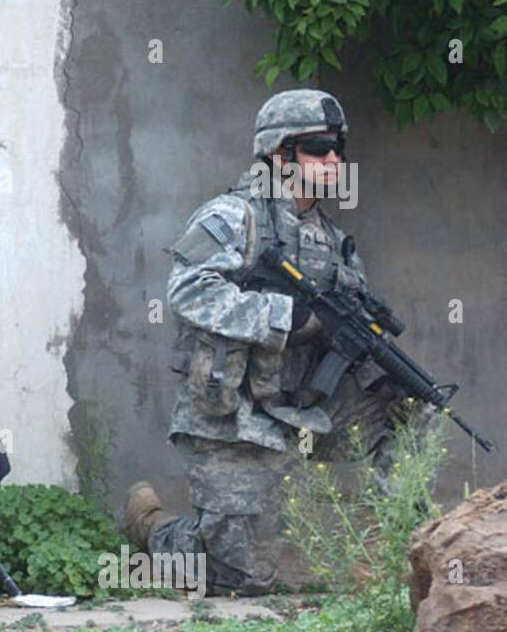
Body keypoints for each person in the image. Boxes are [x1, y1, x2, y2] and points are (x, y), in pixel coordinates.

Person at [124, 89, 435, 595]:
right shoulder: (231, 218)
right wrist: (290, 315)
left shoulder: (332, 242)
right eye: (317, 147)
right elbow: (189, 291)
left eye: (337, 148)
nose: (333, 158)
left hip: (305, 405)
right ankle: (154, 530)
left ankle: (408, 549)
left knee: (410, 406)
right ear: (278, 153)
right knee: (242, 580)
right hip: (236, 414)